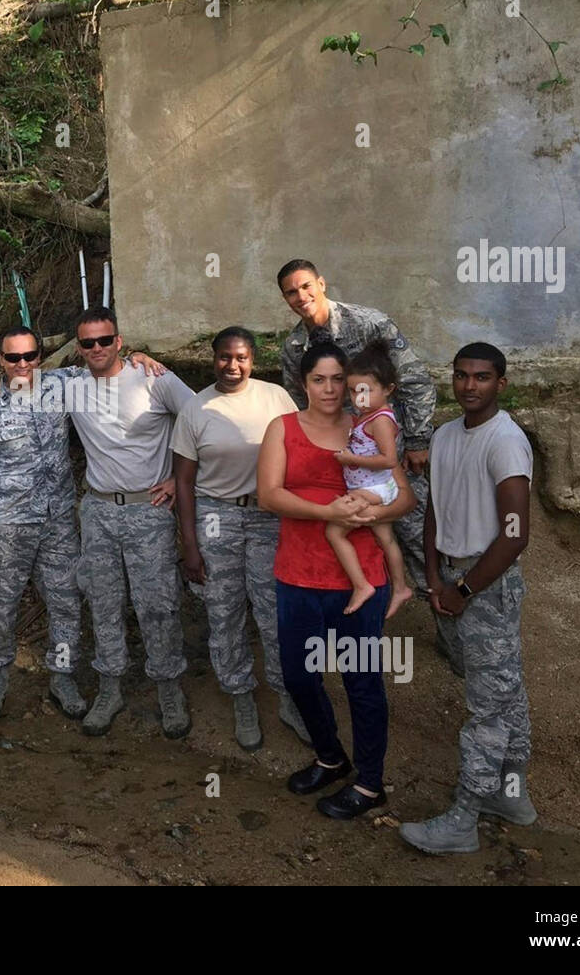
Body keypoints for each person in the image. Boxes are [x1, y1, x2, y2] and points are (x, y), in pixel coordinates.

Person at [0, 328, 164, 720]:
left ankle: (62, 677)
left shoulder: (62, 386)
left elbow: (104, 362)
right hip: (6, 525)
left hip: (58, 524)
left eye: (30, 355)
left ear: (40, 357)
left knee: (66, 603)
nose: (23, 364)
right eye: (13, 357)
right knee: (2, 605)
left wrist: (139, 354)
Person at [257, 342, 416, 819]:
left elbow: (404, 497)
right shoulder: (282, 429)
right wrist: (326, 511)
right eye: (318, 380)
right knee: (299, 676)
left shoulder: (369, 424)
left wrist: (374, 514)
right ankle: (329, 757)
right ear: (303, 384)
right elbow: (269, 495)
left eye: (336, 380)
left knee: (361, 681)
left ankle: (369, 784)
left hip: (359, 578)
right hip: (299, 575)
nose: (329, 390)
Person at [276, 259, 452, 668]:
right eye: (290, 292)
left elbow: (415, 382)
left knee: (416, 538)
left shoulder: (369, 324)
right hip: (341, 463)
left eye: (306, 286)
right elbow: (303, 406)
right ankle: (359, 636)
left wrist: (420, 440)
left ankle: (453, 631)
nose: (301, 297)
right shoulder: (293, 349)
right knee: (354, 537)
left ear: (321, 283)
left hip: (393, 462)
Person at [400, 343, 534, 855]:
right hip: (453, 580)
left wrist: (463, 589)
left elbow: (515, 534)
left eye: (481, 377)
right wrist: (434, 575)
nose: (469, 385)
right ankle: (512, 796)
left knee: (488, 709)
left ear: (500, 383)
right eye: (461, 376)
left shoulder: (505, 441)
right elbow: (437, 506)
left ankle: (465, 816)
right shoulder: (446, 435)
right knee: (505, 690)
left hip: (487, 584)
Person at [171, 326, 310, 751]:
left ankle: (289, 697)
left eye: (242, 357)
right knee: (224, 610)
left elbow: (299, 454)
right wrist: (190, 545)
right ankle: (241, 696)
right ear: (214, 358)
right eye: (225, 357)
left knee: (275, 613)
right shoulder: (196, 409)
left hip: (270, 515)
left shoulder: (276, 398)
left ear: (253, 359)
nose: (233, 366)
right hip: (217, 516)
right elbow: (183, 481)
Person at [69, 306, 197, 739]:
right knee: (103, 602)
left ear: (120, 341)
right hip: (99, 510)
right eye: (88, 343)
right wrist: (1, 384)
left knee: (158, 604)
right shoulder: (69, 387)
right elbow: (21, 378)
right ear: (79, 348)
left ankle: (168, 689)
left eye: (106, 340)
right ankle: (110, 688)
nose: (97, 349)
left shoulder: (154, 378)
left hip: (149, 510)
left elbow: (202, 421)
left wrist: (178, 481)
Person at [328, 340, 413, 619]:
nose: (358, 398)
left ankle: (362, 585)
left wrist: (351, 459)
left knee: (334, 531)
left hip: (375, 488)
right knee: (386, 540)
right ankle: (400, 587)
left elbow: (389, 460)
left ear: (388, 390)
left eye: (365, 391)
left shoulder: (380, 420)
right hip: (371, 486)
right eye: (353, 391)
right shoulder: (367, 417)